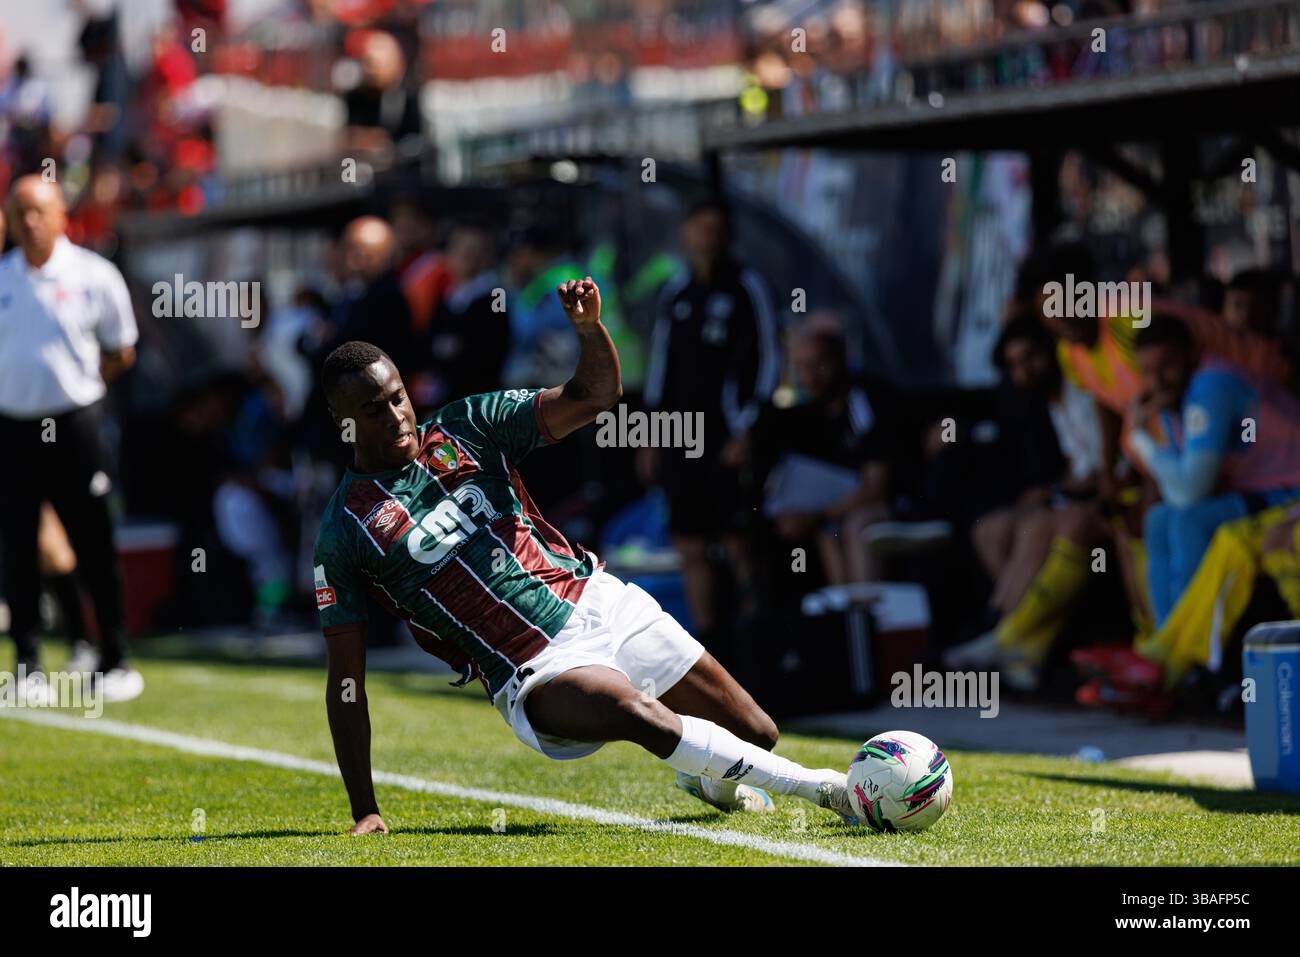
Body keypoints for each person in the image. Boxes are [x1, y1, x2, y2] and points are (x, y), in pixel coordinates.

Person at [313, 278, 855, 835]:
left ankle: (707, 774)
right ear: (342, 420)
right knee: (637, 713)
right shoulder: (344, 530)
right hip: (533, 669)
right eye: (373, 409)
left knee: (757, 733)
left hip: (596, 599)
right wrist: (366, 809)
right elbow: (346, 680)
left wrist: (588, 331)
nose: (396, 415)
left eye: (398, 396)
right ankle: (828, 789)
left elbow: (594, 396)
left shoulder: (467, 424)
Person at [0, 175, 143, 702]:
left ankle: (115, 657)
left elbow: (120, 350)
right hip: (11, 428)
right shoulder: (3, 278)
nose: (29, 221)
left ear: (62, 213)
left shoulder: (94, 275)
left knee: (94, 541)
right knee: (17, 546)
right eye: (19, 211)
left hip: (76, 424)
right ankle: (29, 664)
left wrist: (79, 392)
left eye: (38, 210)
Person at [641, 197, 780, 653]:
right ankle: (709, 641)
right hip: (680, 434)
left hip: (726, 434)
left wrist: (748, 428)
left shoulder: (747, 287)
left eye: (717, 229)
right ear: (686, 233)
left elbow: (769, 360)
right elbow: (660, 367)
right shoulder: (676, 293)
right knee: (690, 540)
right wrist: (650, 435)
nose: (709, 238)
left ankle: (755, 633)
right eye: (701, 228)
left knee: (738, 536)